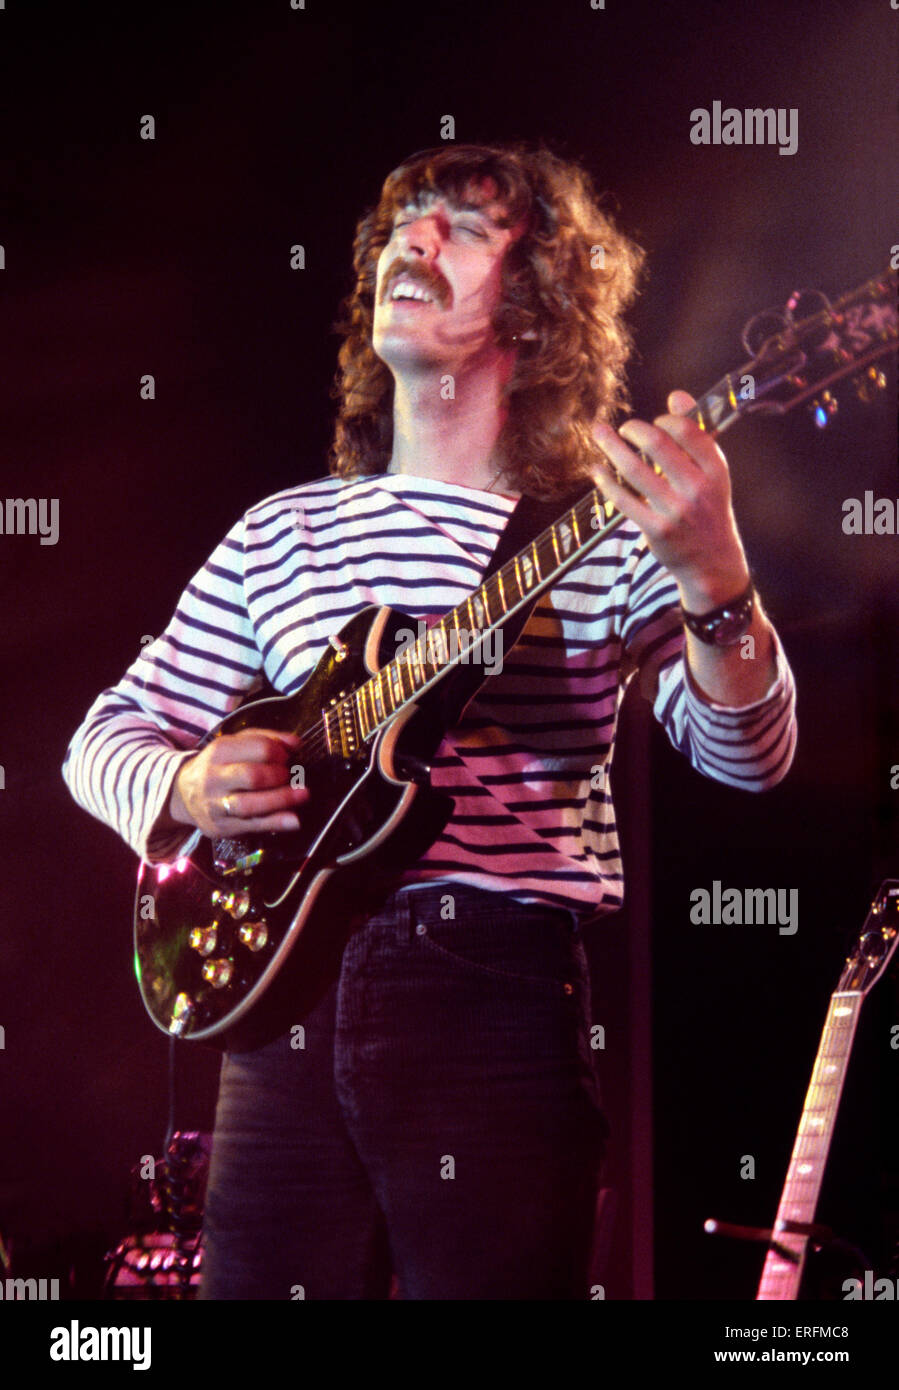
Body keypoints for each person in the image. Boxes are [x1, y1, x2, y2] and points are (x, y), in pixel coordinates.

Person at [63, 142, 797, 1299]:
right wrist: (192, 784)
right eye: (403, 222)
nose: (415, 240)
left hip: (491, 1007)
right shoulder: (282, 531)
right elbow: (100, 739)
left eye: (461, 225)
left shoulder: (598, 527)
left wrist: (715, 584)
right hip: (277, 1016)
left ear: (536, 299)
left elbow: (744, 758)